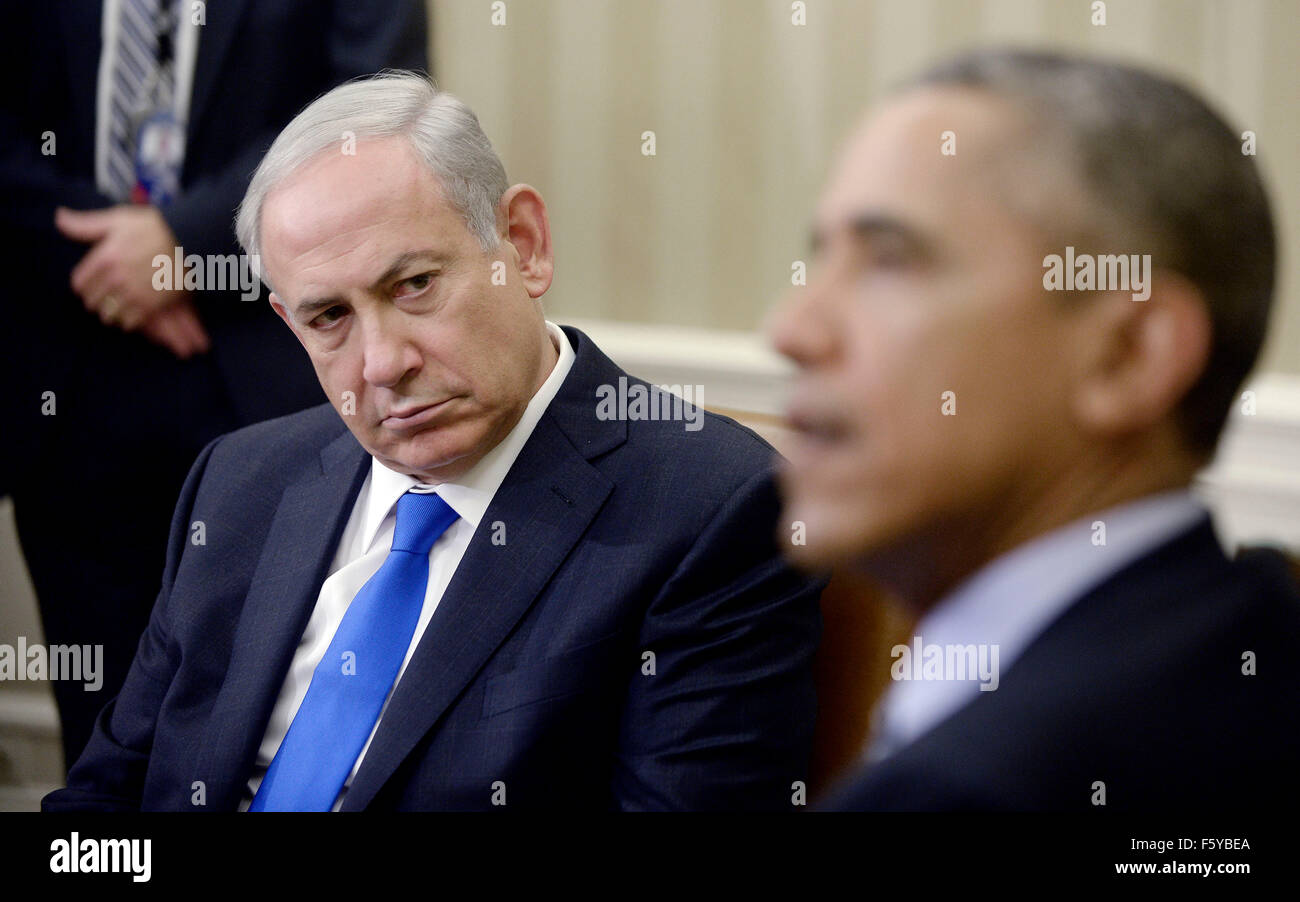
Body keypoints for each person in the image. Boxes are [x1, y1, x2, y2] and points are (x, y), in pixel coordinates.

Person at [42, 72, 823, 812]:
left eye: (413, 285)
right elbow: (104, 801)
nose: (383, 363)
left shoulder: (712, 510)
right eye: (329, 319)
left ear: (523, 244)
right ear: (290, 324)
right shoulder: (241, 482)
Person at [767, 49, 1300, 810]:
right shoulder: (1246, 643)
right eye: (820, 259)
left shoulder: (965, 795)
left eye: (889, 260)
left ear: (1128, 356)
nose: (791, 328)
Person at [0, 0, 428, 771]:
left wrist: (182, 245)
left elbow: (372, 102)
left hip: (273, 373)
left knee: (277, 710)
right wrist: (115, 258)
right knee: (100, 720)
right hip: (63, 385)